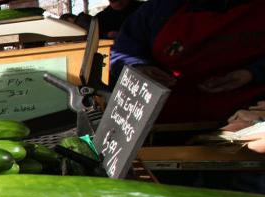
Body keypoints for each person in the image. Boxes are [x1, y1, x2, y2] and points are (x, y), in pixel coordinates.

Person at [109, 0, 265, 124]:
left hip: (249, 118)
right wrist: (139, 67)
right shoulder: (160, 8)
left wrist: (251, 72)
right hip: (168, 120)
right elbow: (122, 52)